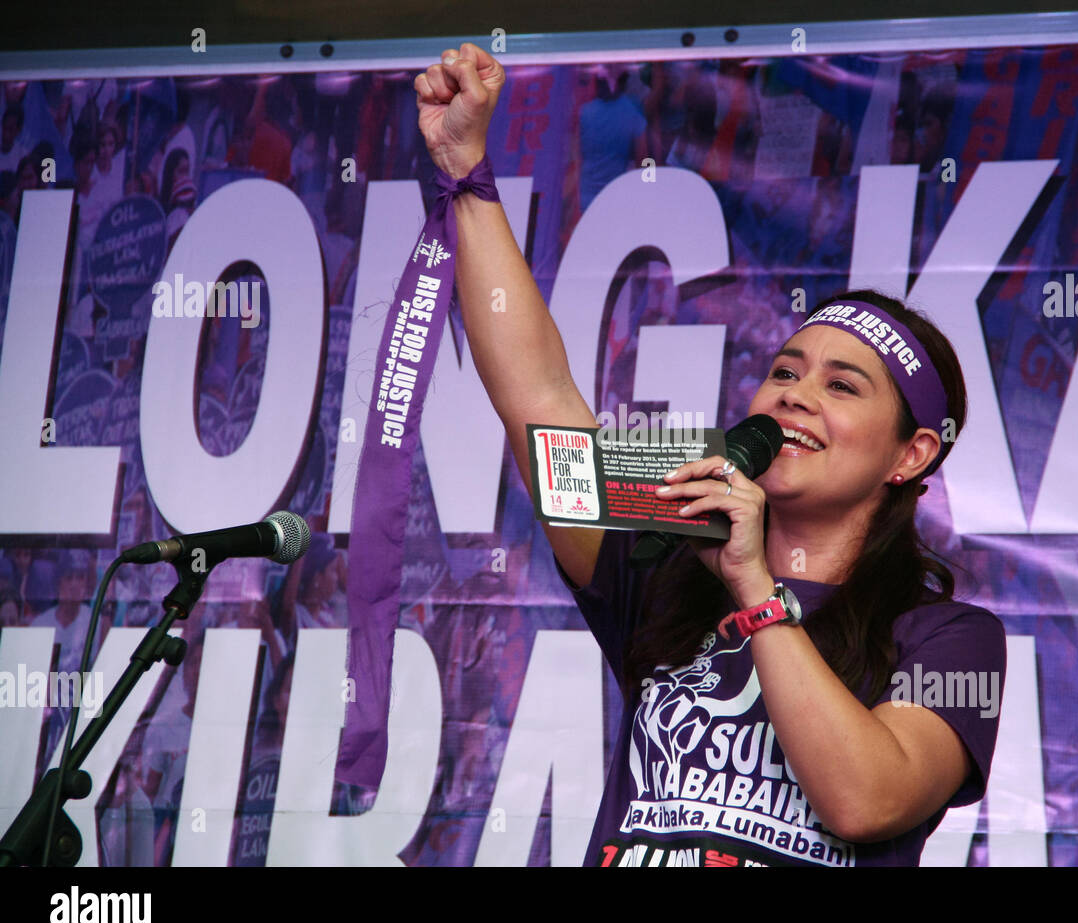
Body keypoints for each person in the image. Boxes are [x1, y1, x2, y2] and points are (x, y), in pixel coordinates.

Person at [414, 42, 1006, 867]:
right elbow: (540, 400)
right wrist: (465, 172)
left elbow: (867, 798)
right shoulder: (670, 559)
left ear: (909, 455)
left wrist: (756, 587)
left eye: (843, 387)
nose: (794, 394)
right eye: (784, 372)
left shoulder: (950, 639)